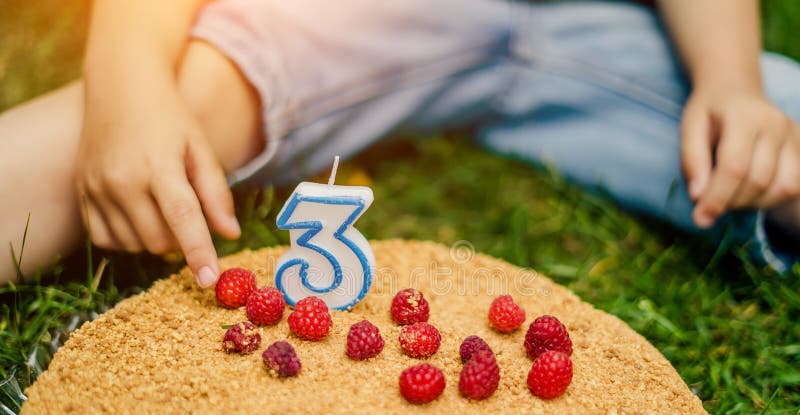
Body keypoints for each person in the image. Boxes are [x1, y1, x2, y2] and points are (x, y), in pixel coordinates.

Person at [1, 0, 799, 288]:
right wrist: (128, 73)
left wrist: (730, 80)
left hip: (591, 23)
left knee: (776, 134)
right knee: (157, 127)